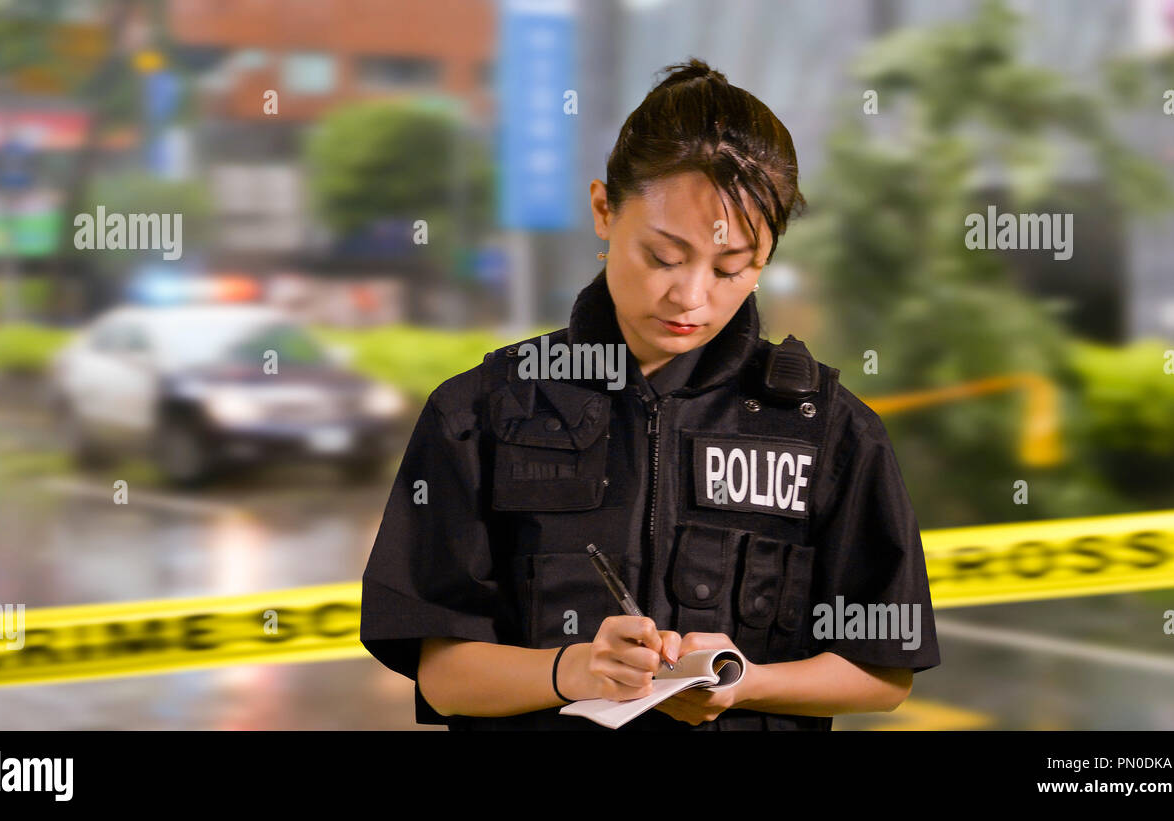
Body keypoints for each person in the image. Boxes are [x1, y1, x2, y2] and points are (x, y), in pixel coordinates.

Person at [359, 58, 940, 731]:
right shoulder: (480, 413)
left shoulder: (827, 430)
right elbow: (444, 674)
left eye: (733, 268)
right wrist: (569, 669)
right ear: (604, 210)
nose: (691, 297)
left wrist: (748, 683)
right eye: (663, 256)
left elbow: (883, 673)